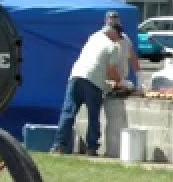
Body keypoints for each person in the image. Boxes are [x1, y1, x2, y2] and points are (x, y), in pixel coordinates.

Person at [52, 18, 125, 156]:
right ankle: (91, 148)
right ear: (114, 32)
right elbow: (110, 70)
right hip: (93, 81)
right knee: (93, 116)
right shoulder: (113, 46)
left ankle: (59, 146)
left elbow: (96, 61)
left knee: (68, 113)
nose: (118, 39)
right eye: (118, 36)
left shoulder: (93, 37)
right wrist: (119, 81)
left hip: (75, 76)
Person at [105, 9, 140, 89]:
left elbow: (132, 57)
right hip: (107, 82)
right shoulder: (102, 38)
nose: (114, 21)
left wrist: (139, 76)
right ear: (106, 21)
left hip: (121, 82)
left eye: (116, 19)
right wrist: (118, 80)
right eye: (111, 19)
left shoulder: (125, 38)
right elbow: (109, 68)